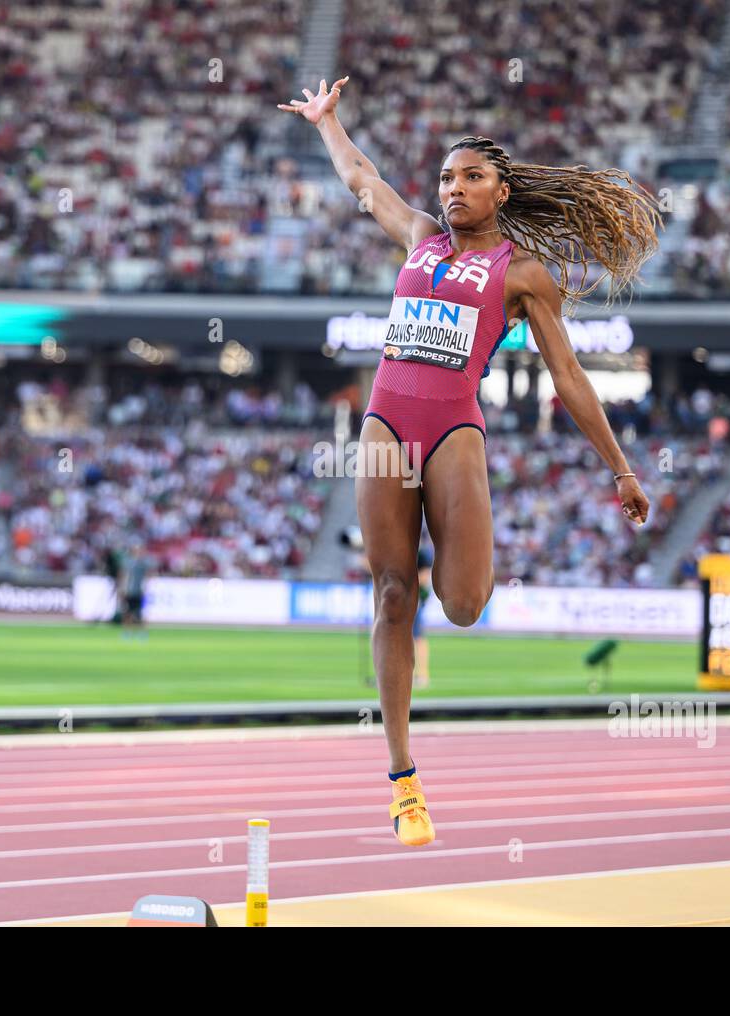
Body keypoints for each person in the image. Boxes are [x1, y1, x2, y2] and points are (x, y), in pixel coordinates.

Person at [281, 77, 654, 847]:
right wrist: (328, 122)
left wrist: (620, 467)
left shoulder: (524, 276)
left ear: (500, 191)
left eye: (470, 177)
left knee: (461, 604)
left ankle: (461, 565)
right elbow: (360, 178)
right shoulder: (419, 236)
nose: (453, 188)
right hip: (386, 420)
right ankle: (402, 780)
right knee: (391, 594)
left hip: (454, 429)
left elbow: (571, 379)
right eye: (447, 177)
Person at [413, 542, 433, 690]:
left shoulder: (422, 554)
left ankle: (422, 674)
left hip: (416, 599)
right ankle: (415, 673)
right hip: (407, 598)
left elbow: (425, 578)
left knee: (418, 638)